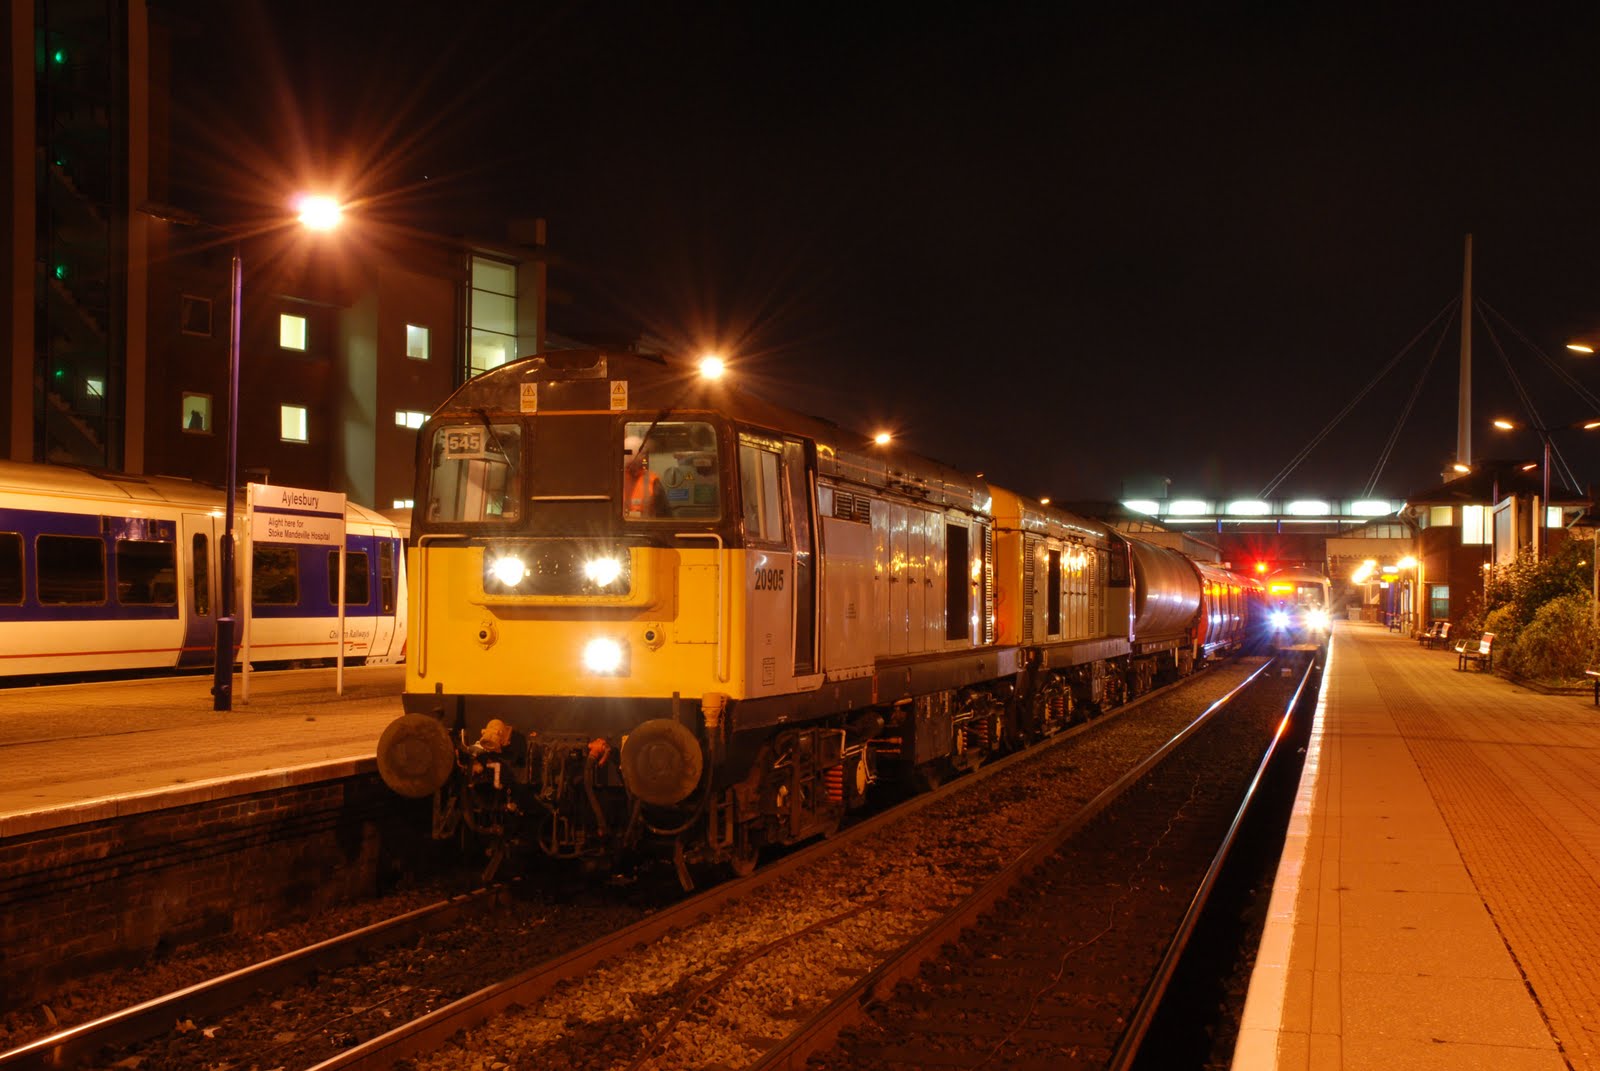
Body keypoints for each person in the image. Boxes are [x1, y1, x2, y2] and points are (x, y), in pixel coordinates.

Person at [623, 434, 670, 518]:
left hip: (646, 525)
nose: (626, 457)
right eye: (626, 454)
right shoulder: (616, 479)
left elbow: (664, 515)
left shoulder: (652, 480)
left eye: (629, 454)